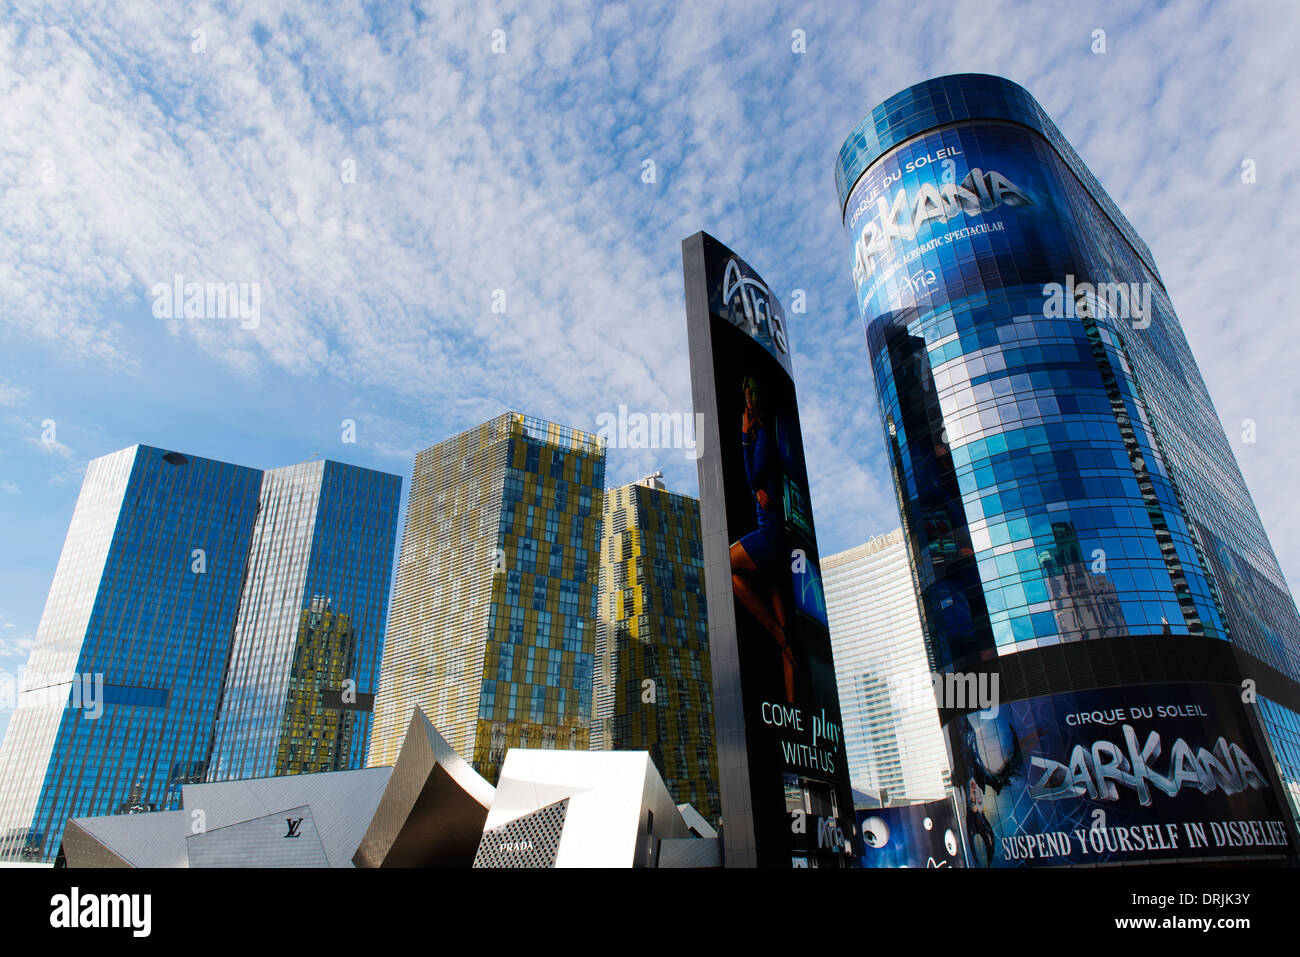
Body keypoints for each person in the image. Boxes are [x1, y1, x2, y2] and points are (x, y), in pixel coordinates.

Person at [728, 375, 796, 703]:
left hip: (769, 538)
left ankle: (773, 630)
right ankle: (795, 715)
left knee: (724, 565)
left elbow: (752, 475)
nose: (751, 398)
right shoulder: (768, 435)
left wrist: (744, 436)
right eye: (747, 393)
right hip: (781, 548)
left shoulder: (765, 435)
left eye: (755, 392)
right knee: (788, 650)